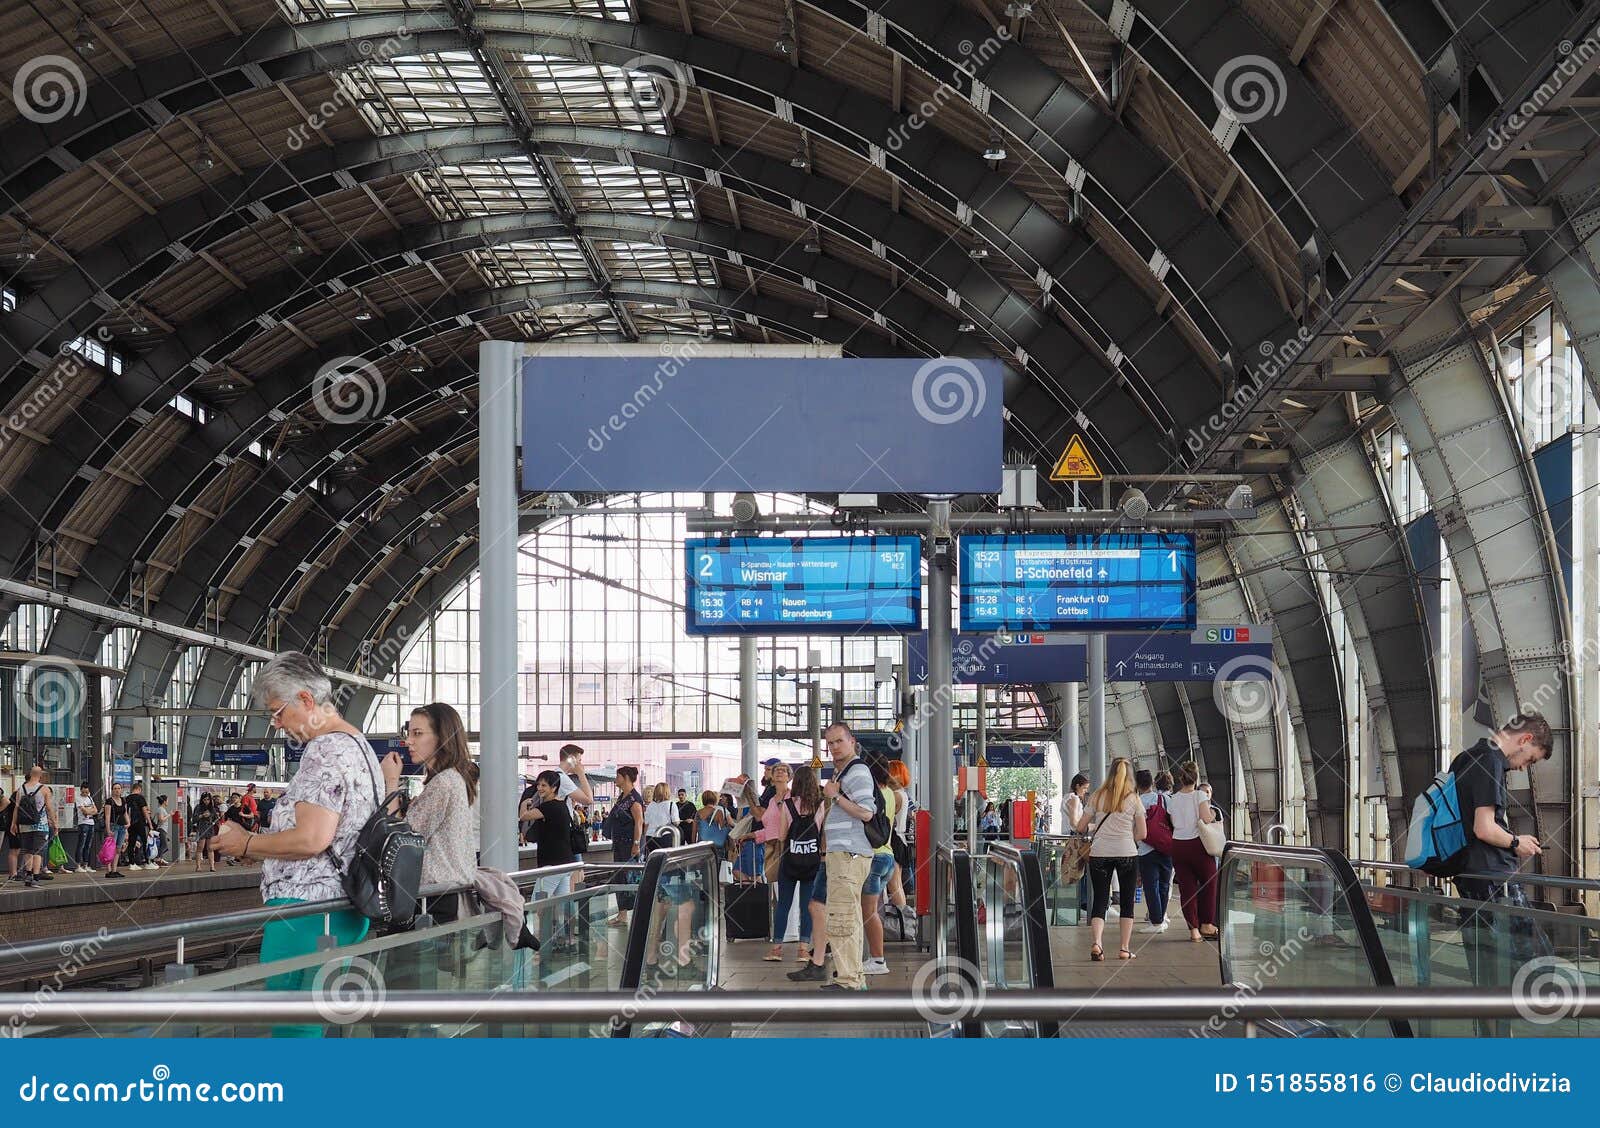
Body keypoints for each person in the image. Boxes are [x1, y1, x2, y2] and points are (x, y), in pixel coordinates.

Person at [208, 652, 382, 1038]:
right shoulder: (359, 747)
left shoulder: (323, 751)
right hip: (344, 909)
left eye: (278, 712)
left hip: (305, 913)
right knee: (314, 1026)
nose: (276, 724)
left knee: (292, 1031)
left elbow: (311, 839)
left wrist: (246, 842)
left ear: (305, 700)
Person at [1450, 712, 1552, 1013]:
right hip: (1493, 880)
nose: (1524, 767)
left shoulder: (1465, 757)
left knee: (1485, 967)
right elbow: (1484, 827)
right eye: (1531, 759)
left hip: (1468, 874)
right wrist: (1516, 842)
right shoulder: (1490, 761)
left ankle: (1492, 1033)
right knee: (1538, 962)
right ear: (1526, 739)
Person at [380, 703, 477, 924]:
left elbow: (400, 840)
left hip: (434, 900)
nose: (408, 741)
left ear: (442, 737)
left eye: (418, 733)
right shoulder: (454, 778)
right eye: (409, 733)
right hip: (446, 895)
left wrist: (391, 781)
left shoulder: (443, 783)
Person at [818, 722, 878, 991]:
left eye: (839, 741)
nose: (834, 748)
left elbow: (867, 812)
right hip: (844, 854)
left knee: (842, 917)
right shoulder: (843, 772)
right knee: (847, 916)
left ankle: (849, 981)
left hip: (849, 854)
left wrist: (835, 795)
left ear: (852, 741)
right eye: (830, 743)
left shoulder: (857, 772)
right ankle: (852, 978)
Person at [1074, 757, 1146, 961]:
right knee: (1126, 903)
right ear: (1129, 775)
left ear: (1110, 773)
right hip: (1127, 854)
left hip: (1100, 854)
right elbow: (1143, 833)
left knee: (1100, 900)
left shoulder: (1097, 796)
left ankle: (1097, 944)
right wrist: (1125, 836)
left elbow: (1080, 827)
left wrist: (1095, 828)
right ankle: (1124, 949)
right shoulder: (1134, 799)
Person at [767, 764, 823, 963]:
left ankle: (776, 949)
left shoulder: (788, 805)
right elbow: (822, 832)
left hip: (790, 861)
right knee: (808, 905)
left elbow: (782, 836)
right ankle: (803, 950)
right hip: (812, 861)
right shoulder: (820, 804)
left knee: (784, 904)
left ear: (796, 782)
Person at [1167, 761, 1221, 942]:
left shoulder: (1172, 798)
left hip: (1178, 846)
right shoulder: (1199, 795)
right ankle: (1206, 924)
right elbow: (1206, 818)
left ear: (1180, 778)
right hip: (1197, 845)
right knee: (1210, 882)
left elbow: (1172, 821)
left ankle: (1194, 930)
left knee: (1187, 888)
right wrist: (1213, 815)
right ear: (1196, 778)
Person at [861, 760, 899, 976]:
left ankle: (877, 960)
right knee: (873, 911)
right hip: (888, 856)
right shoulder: (891, 794)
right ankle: (871, 957)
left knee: (868, 912)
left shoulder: (874, 795)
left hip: (873, 857)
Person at [606, 765, 644, 928]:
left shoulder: (634, 799)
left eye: (618, 776)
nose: (616, 779)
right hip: (621, 843)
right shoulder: (623, 797)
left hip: (629, 844)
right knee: (620, 877)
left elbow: (639, 822)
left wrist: (636, 844)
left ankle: (627, 914)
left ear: (626, 777)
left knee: (627, 878)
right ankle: (623, 914)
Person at [1136, 770, 1174, 933]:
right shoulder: (1164, 798)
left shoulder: (1137, 802)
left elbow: (1135, 826)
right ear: (1152, 783)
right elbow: (1174, 820)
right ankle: (1161, 917)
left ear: (1137, 785)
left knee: (1151, 886)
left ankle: (1156, 921)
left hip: (1146, 849)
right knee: (1164, 884)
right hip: (1166, 847)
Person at [9, 766, 55, 888]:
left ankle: (28, 875)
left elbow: (16, 808)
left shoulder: (21, 789)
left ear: (30, 774)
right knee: (38, 851)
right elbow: (49, 808)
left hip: (24, 825)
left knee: (27, 850)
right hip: (40, 825)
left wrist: (13, 824)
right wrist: (55, 823)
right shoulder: (44, 789)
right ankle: (35, 876)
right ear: (40, 775)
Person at [753, 761, 791, 884]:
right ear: (772, 777)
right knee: (774, 887)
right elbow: (769, 827)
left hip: (787, 847)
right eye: (776, 770)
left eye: (783, 770)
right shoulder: (771, 801)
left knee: (786, 886)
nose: (779, 772)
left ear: (789, 777)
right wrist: (751, 836)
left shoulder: (793, 796)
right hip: (770, 848)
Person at [1065, 773, 1090, 915]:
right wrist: (1089, 827)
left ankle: (1081, 904)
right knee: (1081, 871)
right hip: (1075, 838)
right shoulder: (1074, 799)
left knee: (1076, 870)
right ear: (1077, 786)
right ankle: (1083, 904)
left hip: (1071, 838)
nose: (1085, 791)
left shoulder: (1067, 798)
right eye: (1084, 788)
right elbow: (1074, 823)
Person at [102, 782, 128, 879]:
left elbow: (125, 813)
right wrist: (108, 829)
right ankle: (109, 870)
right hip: (114, 826)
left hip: (122, 827)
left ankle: (115, 869)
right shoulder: (109, 801)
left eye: (119, 788)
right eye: (115, 788)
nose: (117, 790)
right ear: (112, 790)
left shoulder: (123, 800)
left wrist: (128, 823)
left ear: (121, 790)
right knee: (110, 849)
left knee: (118, 849)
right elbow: (107, 816)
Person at [643, 782, 678, 854]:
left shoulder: (650, 805)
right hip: (665, 836)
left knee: (653, 859)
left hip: (650, 837)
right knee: (664, 859)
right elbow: (676, 822)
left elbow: (646, 823)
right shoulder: (671, 804)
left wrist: (644, 838)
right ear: (667, 792)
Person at [191, 792, 221, 872]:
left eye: (208, 799)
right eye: (205, 799)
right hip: (201, 829)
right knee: (200, 848)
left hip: (210, 829)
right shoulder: (198, 807)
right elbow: (194, 819)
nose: (206, 801)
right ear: (202, 800)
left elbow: (216, 819)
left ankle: (212, 866)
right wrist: (202, 815)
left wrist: (217, 817)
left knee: (210, 848)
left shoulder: (212, 808)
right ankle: (198, 866)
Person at [124, 782, 150, 870]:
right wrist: (150, 823)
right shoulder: (140, 798)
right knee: (144, 841)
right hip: (140, 822)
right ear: (139, 789)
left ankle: (132, 863)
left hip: (130, 823)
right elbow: (145, 811)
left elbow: (125, 812)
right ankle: (147, 862)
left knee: (131, 843)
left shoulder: (126, 798)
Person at [73, 784, 98, 871]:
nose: (85, 793)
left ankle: (86, 864)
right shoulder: (78, 798)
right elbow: (84, 811)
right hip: (83, 823)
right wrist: (90, 811)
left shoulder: (90, 798)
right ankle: (78, 865)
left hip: (91, 823)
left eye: (87, 792)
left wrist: (89, 811)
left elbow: (96, 810)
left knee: (88, 844)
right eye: (83, 792)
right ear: (81, 790)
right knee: (81, 844)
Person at [153, 795, 173, 866]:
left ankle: (159, 859)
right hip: (161, 829)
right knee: (164, 846)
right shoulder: (161, 809)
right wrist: (169, 815)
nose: (168, 802)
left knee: (162, 845)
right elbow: (161, 819)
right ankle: (157, 858)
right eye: (167, 800)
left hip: (163, 829)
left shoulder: (162, 809)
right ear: (164, 801)